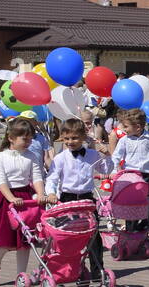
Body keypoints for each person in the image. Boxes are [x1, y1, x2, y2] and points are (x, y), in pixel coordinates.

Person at [44, 117, 110, 276]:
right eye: (66, 138)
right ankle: (69, 268)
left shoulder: (93, 154)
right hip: (67, 199)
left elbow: (106, 169)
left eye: (74, 138)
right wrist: (51, 193)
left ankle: (97, 269)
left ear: (83, 136)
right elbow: (52, 177)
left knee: (93, 234)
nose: (70, 141)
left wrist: (107, 155)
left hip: (87, 199)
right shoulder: (60, 158)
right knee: (68, 235)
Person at [0, 118, 45, 283]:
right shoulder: (0, 157)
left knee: (26, 241)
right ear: (11, 137)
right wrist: (11, 198)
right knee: (2, 242)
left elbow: (37, 176)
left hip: (25, 199)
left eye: (30, 139)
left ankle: (21, 277)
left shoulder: (31, 155)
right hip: (5, 199)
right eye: (24, 139)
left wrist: (40, 194)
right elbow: (0, 180)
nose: (28, 142)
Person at [111, 109, 149, 231]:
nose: (124, 129)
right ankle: (131, 232)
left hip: (148, 178)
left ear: (137, 127)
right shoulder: (124, 140)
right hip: (131, 178)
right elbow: (116, 156)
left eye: (126, 126)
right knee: (132, 207)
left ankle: (144, 226)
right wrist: (115, 170)